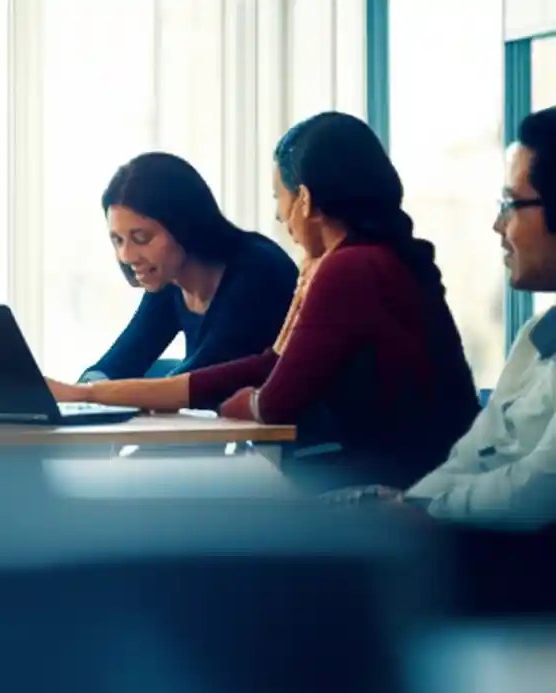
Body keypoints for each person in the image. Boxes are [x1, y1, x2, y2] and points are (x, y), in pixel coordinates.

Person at [50, 112, 480, 489]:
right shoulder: (360, 262)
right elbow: (267, 366)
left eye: (280, 196)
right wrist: (84, 391)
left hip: (388, 477)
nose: (278, 213)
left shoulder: (345, 268)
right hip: (376, 464)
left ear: (305, 199)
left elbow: (271, 393)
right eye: (118, 241)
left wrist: (90, 393)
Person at [329, 106, 556, 528]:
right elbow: (471, 454)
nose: (497, 226)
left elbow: (539, 488)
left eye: (510, 204)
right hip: (465, 539)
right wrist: (412, 504)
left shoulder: (355, 266)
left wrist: (424, 509)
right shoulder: (537, 334)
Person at [81, 153, 297, 382]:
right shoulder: (170, 278)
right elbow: (122, 361)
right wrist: (79, 392)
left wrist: (88, 394)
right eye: (118, 240)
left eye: (141, 237)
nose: (126, 256)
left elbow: (197, 380)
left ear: (183, 225)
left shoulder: (257, 271)